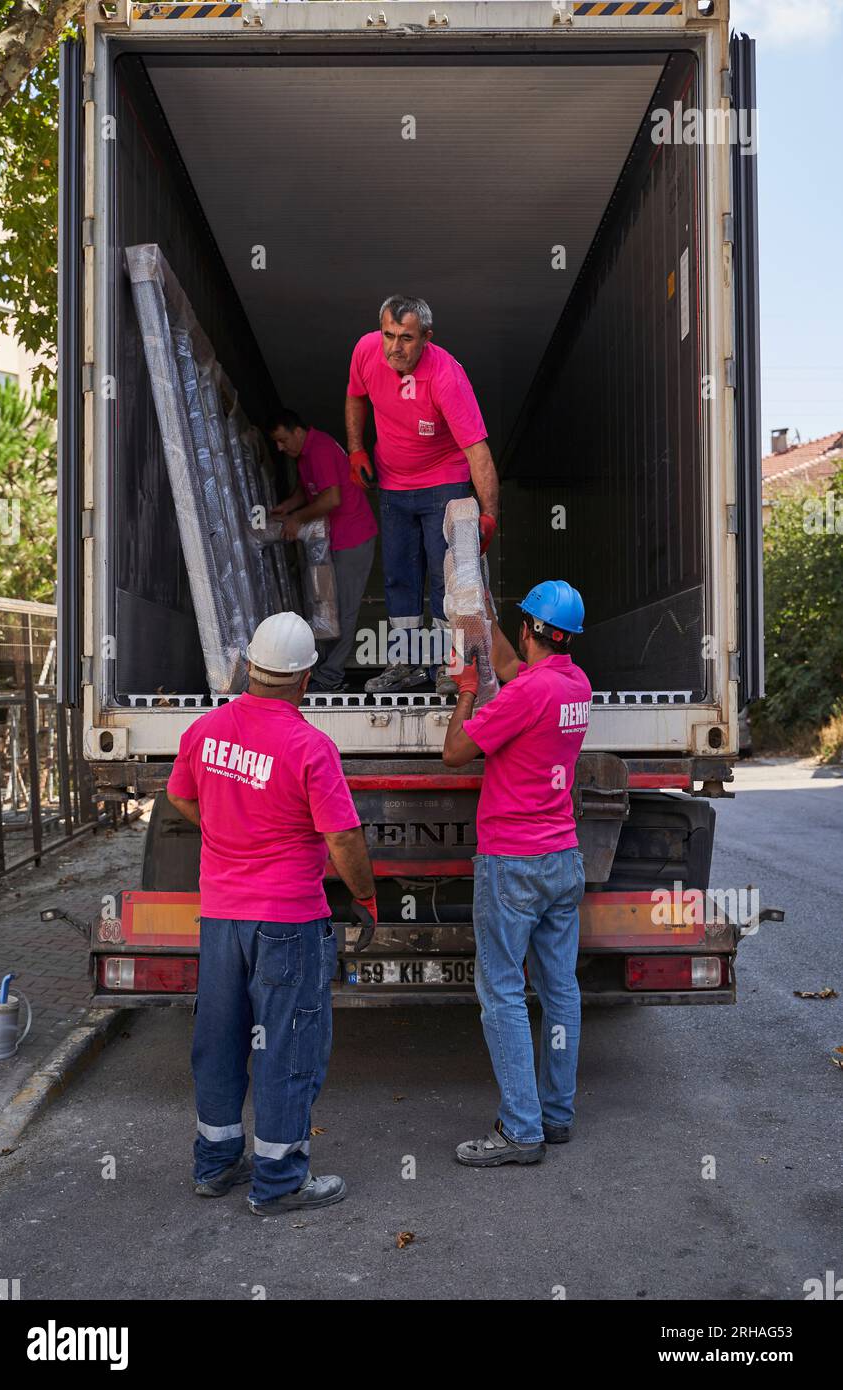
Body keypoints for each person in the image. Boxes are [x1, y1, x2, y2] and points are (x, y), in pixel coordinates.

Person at [166, 612, 377, 1212]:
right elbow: (343, 841)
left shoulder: (205, 732)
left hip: (222, 919)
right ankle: (279, 1183)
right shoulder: (310, 747)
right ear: (305, 678)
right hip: (287, 921)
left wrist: (228, 829)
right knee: (287, 1044)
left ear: (250, 667)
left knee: (220, 1038)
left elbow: (179, 795)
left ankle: (214, 1164)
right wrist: (363, 896)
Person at [441, 581, 591, 1166]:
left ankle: (520, 1131)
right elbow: (515, 661)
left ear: (532, 630)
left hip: (514, 863)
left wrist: (467, 693)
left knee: (502, 992)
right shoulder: (574, 683)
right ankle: (555, 1116)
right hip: (562, 858)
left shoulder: (523, 697)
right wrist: (483, 612)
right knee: (560, 990)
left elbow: (455, 753)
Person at [345, 293, 499, 695]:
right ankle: (406, 665)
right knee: (398, 577)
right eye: (389, 334)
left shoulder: (446, 376)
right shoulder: (365, 351)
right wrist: (356, 447)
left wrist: (489, 513)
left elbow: (477, 450)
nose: (395, 347)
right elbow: (355, 396)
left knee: (444, 579)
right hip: (394, 485)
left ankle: (450, 669)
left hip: (443, 484)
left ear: (427, 337)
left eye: (407, 338)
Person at [268, 408, 378, 692]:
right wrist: (288, 507)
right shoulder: (304, 454)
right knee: (325, 609)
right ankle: (321, 671)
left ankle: (330, 677)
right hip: (333, 541)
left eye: (282, 440)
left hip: (353, 538)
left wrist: (297, 519)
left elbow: (331, 498)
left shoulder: (319, 449)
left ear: (297, 431)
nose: (280, 448)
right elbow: (309, 490)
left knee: (342, 611)